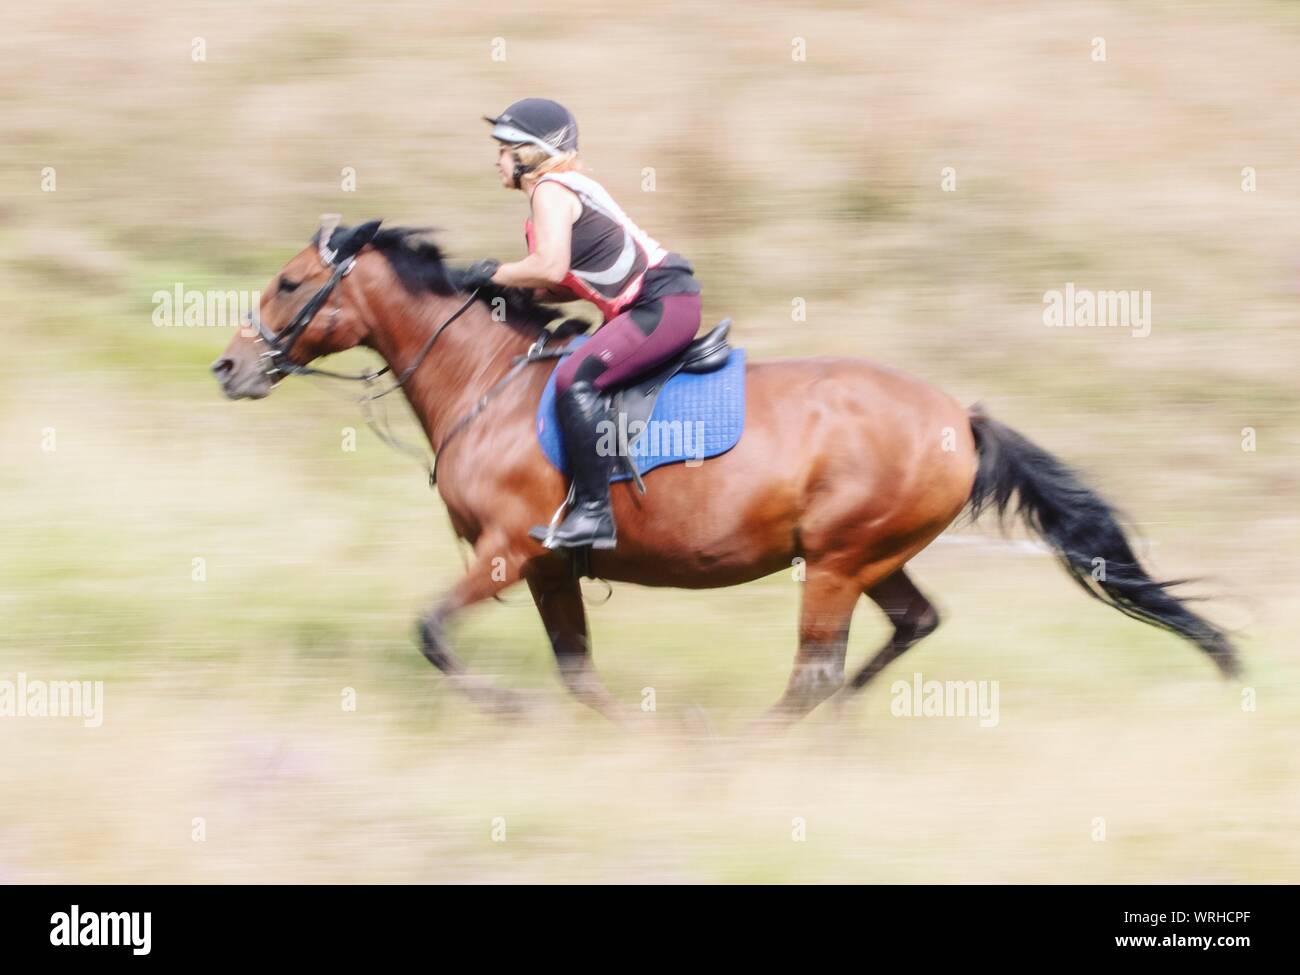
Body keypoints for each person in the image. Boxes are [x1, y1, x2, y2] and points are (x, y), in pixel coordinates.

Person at [461, 98, 703, 551]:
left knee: (575, 378)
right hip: (658, 303)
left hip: (661, 304)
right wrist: (511, 290)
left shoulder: (550, 189)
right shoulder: (559, 190)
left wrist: (492, 271)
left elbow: (550, 267)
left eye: (505, 150)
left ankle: (595, 515)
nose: (498, 160)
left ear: (531, 153)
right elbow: (565, 284)